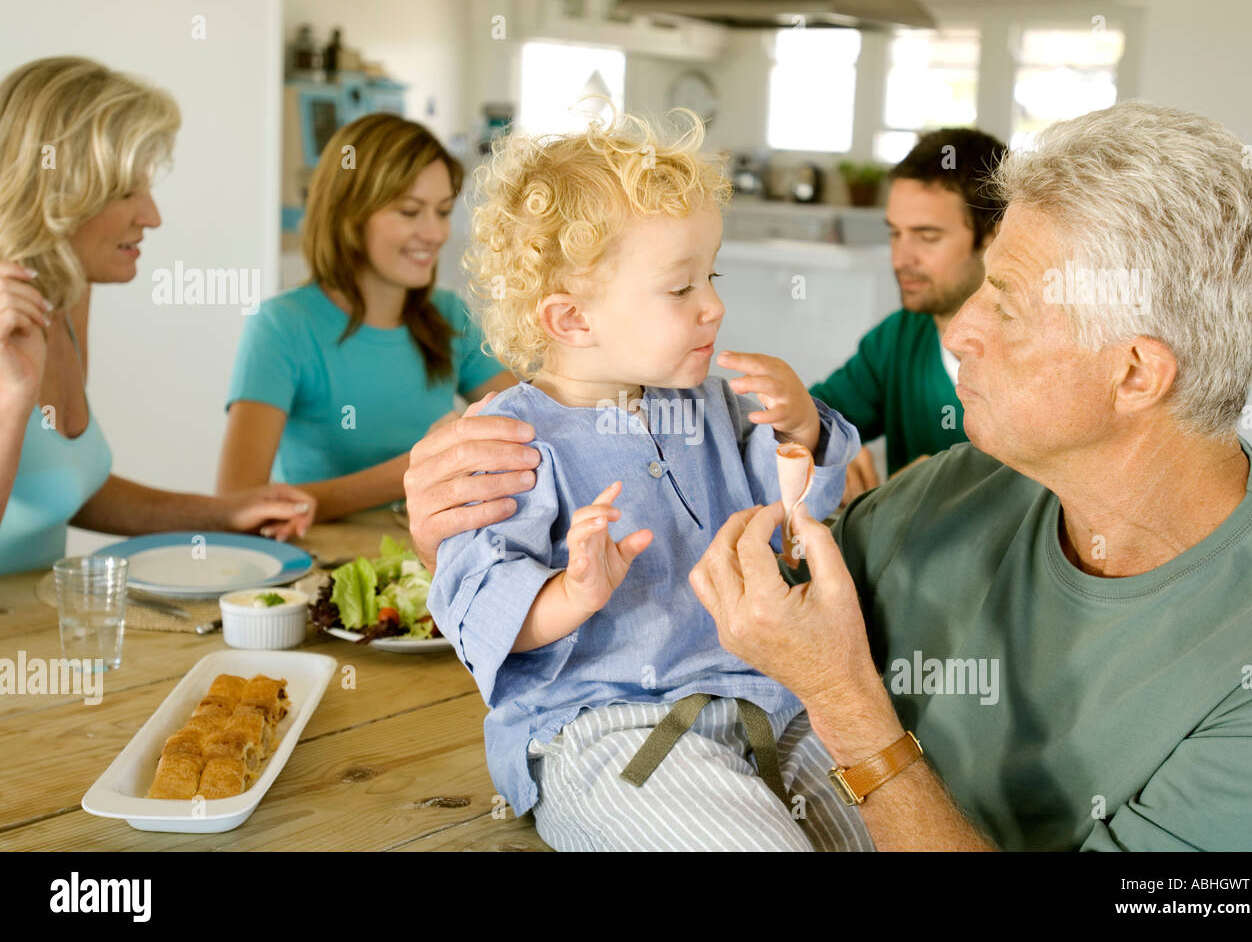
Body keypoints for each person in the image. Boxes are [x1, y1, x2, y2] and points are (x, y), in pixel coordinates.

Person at [688, 102, 1252, 851]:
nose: (963, 329)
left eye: (1006, 306)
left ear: (1135, 372)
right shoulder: (963, 480)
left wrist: (846, 703)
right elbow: (758, 593)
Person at [427, 109, 872, 851]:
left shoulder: (714, 405)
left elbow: (793, 522)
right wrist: (567, 593)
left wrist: (801, 431)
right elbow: (472, 600)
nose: (714, 305)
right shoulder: (504, 437)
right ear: (571, 319)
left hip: (763, 702)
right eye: (679, 289)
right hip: (605, 726)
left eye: (712, 274)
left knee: (890, 823)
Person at [0, 57, 315, 576]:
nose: (152, 216)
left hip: (36, 636)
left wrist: (227, 512)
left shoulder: (67, 297)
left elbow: (65, 488)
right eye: (126, 192)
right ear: (57, 194)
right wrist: (13, 401)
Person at [217, 113, 514, 521]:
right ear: (350, 217)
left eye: (443, 211)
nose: (434, 233)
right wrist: (418, 467)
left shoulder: (447, 314)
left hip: (429, 562)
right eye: (410, 212)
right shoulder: (282, 326)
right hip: (326, 569)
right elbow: (238, 502)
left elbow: (527, 420)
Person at [811, 129, 1007, 501]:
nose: (901, 259)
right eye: (895, 234)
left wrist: (945, 485)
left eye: (927, 236)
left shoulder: (1048, 354)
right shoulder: (898, 339)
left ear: (994, 238)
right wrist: (823, 442)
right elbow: (810, 417)